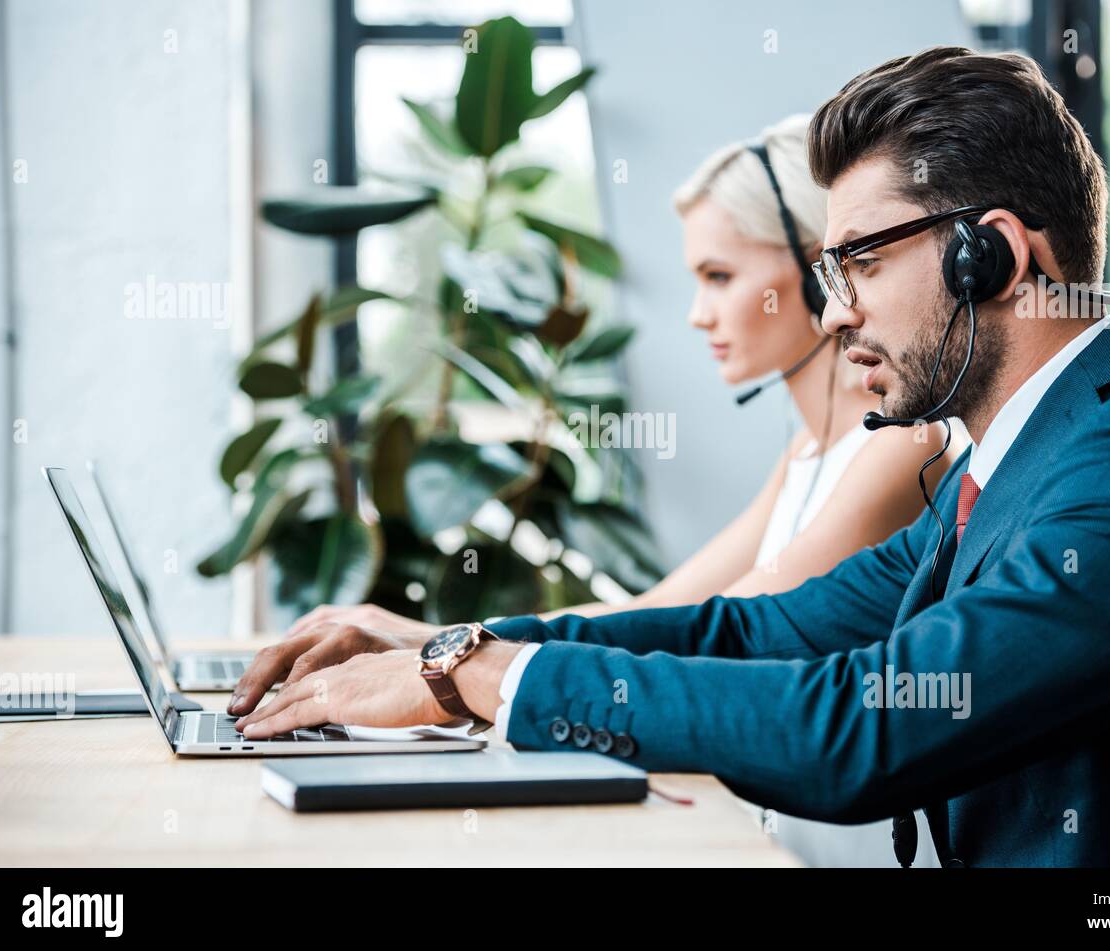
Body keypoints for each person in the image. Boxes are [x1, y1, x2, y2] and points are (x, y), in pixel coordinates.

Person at [229, 47, 1110, 866]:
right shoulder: (1008, 458)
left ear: (992, 253)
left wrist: (492, 680)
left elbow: (866, 729)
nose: (836, 309)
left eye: (860, 259)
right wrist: (462, 646)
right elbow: (761, 630)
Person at [273, 117, 950, 866]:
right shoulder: (809, 451)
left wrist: (452, 655)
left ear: (815, 266)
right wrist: (429, 640)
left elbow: (737, 625)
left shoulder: (900, 449)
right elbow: (656, 612)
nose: (699, 314)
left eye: (720, 277)